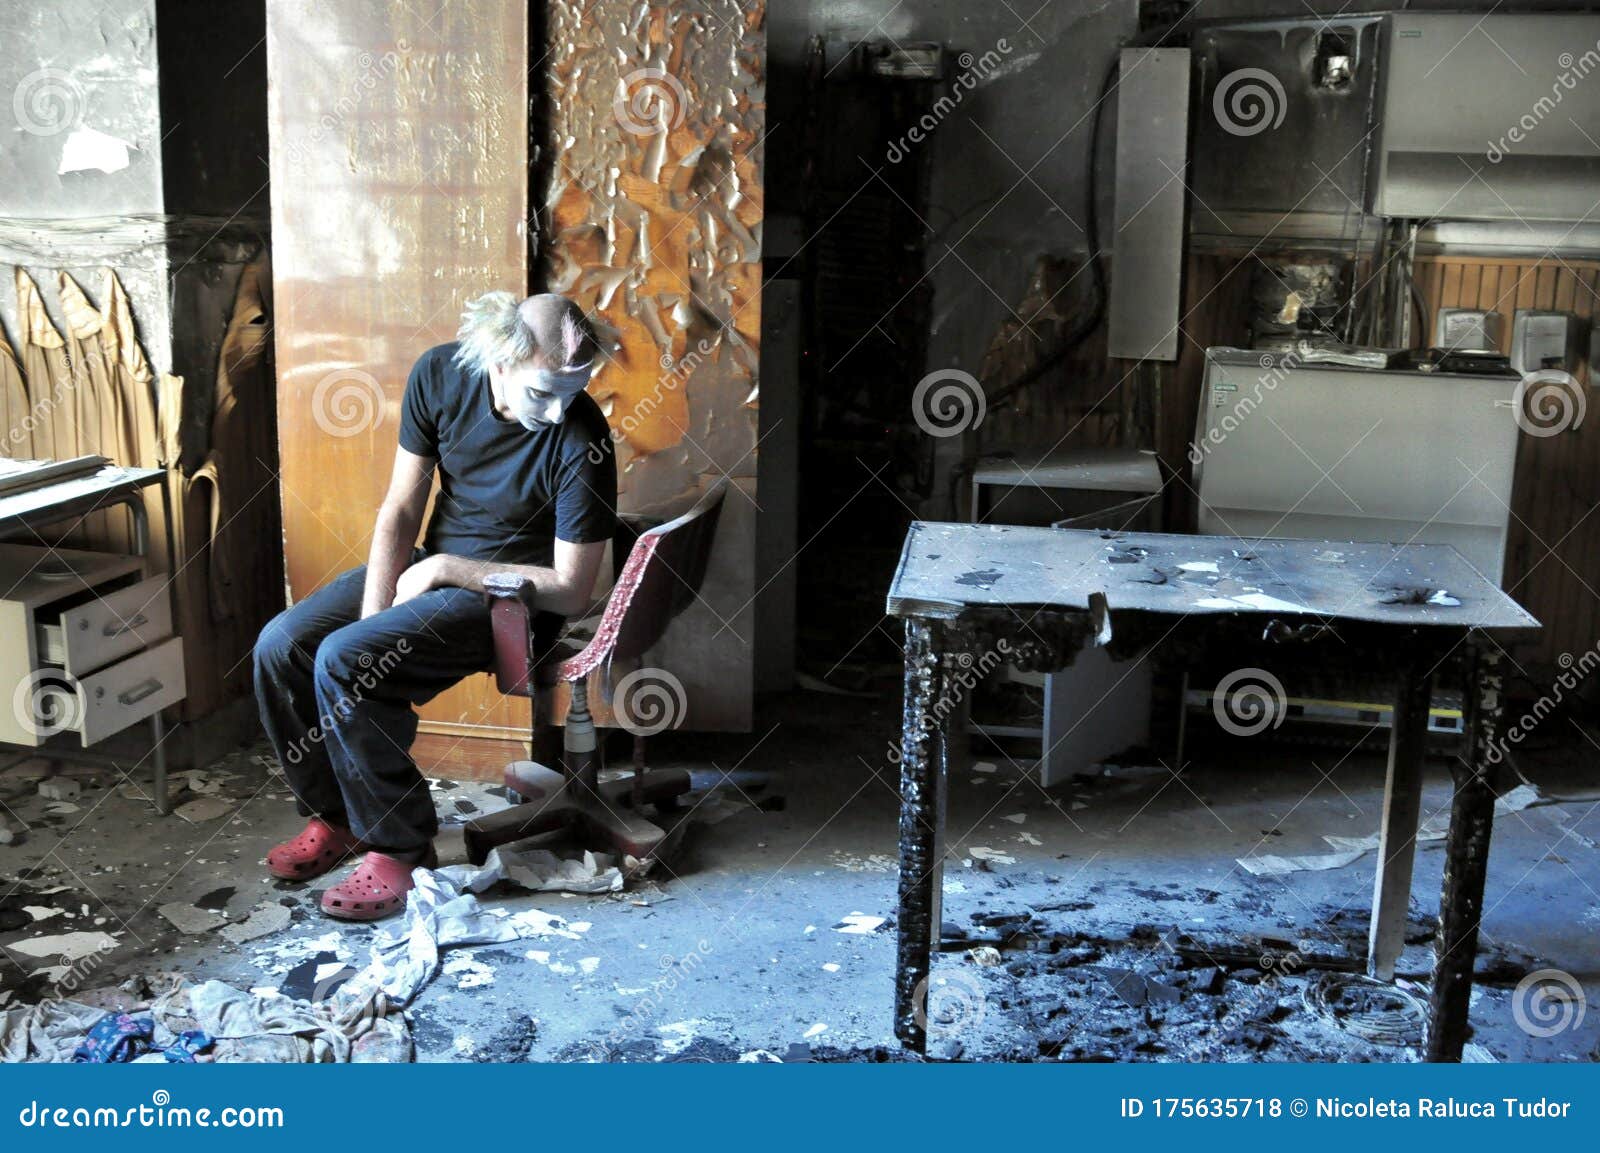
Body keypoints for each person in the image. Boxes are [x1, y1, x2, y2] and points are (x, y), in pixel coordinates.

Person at [252, 292, 617, 920]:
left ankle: (399, 846)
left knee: (345, 659)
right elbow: (399, 509)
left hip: (514, 599)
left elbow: (570, 589)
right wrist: (375, 620)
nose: (560, 410)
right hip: (432, 568)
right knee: (282, 645)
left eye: (575, 389)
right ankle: (336, 817)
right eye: (543, 392)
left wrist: (448, 569)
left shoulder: (582, 435)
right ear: (497, 361)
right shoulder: (440, 373)